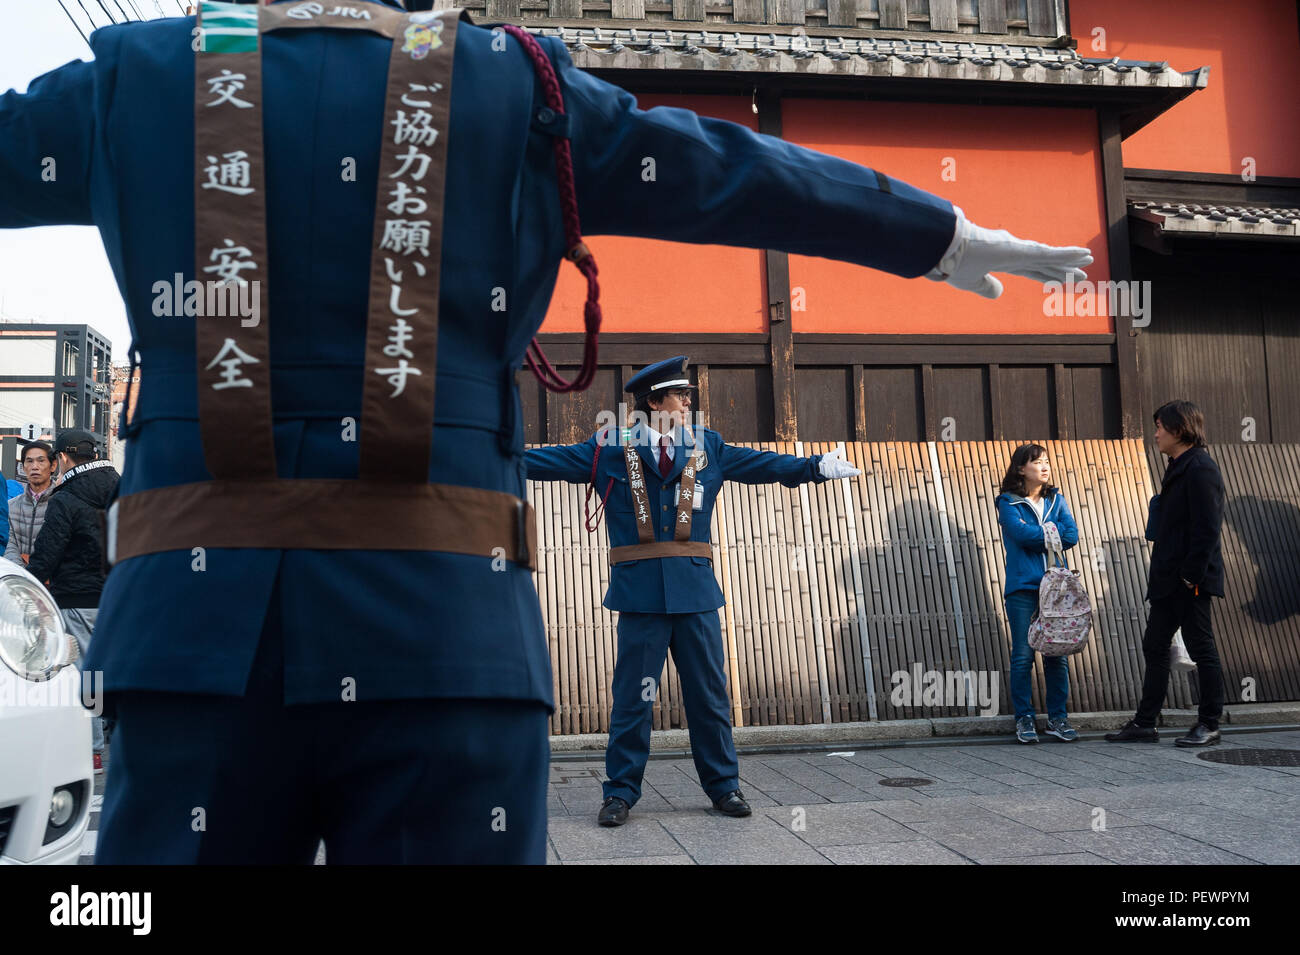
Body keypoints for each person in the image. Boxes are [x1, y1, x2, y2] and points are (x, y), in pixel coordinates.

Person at [0, 0, 1091, 863]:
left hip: (193, 646)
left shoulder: (135, 77)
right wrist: (936, 231)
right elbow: (728, 172)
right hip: (445, 636)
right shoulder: (499, 78)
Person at [525, 356, 863, 825]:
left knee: (708, 695)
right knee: (632, 699)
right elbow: (544, 461)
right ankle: (620, 792)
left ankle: (724, 787)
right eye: (681, 395)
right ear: (655, 401)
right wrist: (484, 456)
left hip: (696, 595)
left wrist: (814, 468)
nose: (688, 402)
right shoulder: (610, 447)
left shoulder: (709, 446)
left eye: (687, 395)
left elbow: (762, 465)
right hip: (640, 596)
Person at [1107, 400, 1226, 747]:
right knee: (1155, 645)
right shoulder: (1178, 466)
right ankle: (1145, 723)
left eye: (1160, 426)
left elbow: (1207, 529)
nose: (1155, 433)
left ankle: (1209, 723)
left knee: (1201, 647)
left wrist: (1191, 576)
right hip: (1168, 579)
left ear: (1179, 429)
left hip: (1188, 580)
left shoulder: (1201, 467)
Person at [26, 429, 121, 772]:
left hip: (77, 600)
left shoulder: (65, 499)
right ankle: (123, 744)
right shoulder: (121, 487)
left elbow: (47, 553)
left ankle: (93, 749)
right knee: (117, 669)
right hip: (118, 596)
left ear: (63, 458)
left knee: (88, 676)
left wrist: (31, 587)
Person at [995, 444, 1080, 744]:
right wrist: (1050, 532)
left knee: (1056, 654)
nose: (1044, 467)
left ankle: (1058, 718)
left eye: (1046, 462)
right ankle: (1024, 718)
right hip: (1023, 587)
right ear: (1021, 469)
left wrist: (1044, 533)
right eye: (1037, 463)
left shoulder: (1057, 499)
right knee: (1022, 655)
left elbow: (1072, 535)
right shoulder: (1008, 502)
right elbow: (1018, 534)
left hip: (1056, 589)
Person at [6, 440, 56, 566]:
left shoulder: (62, 504)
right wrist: (22, 575)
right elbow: (8, 545)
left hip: (53, 580)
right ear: (23, 467)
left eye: (41, 461)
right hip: (19, 579)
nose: (35, 466)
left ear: (53, 466)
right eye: (29, 461)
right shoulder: (11, 506)